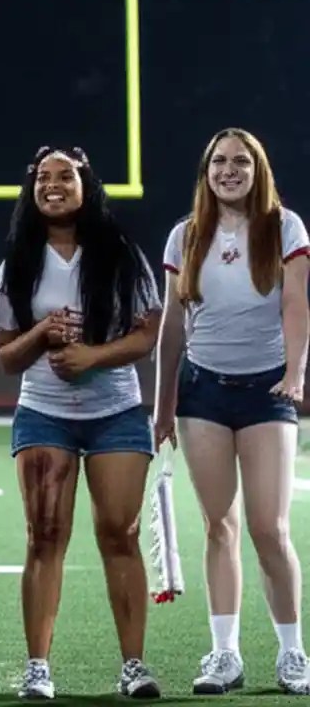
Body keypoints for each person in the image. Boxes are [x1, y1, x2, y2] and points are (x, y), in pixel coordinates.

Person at [0, 146, 162, 700]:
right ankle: (38, 666)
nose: (53, 185)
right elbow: (5, 356)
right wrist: (41, 334)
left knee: (120, 533)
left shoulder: (119, 252)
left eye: (65, 176)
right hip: (44, 411)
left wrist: (93, 356)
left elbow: (148, 332)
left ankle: (133, 665)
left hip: (116, 410)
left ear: (87, 185)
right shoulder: (19, 261)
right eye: (43, 177)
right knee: (44, 536)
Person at [154, 127, 310, 695]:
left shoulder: (284, 227)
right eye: (219, 162)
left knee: (270, 529)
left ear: (257, 170)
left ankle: (293, 653)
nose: (229, 170)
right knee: (220, 526)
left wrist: (295, 372)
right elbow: (173, 325)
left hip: (268, 391)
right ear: (206, 172)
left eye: (241, 162)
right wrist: (163, 405)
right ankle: (225, 654)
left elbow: (295, 303)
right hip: (204, 392)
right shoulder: (186, 235)